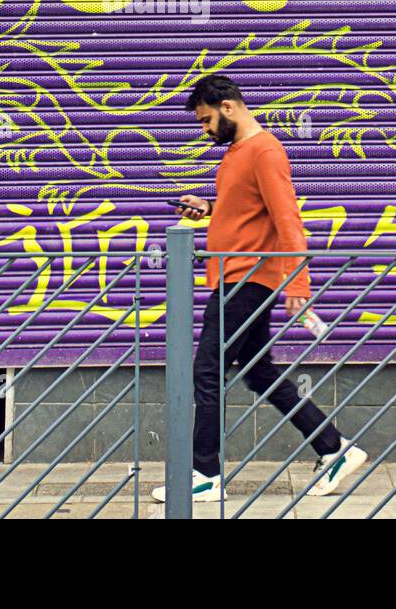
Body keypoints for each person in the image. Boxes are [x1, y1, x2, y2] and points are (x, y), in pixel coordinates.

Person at [153, 74, 367, 503]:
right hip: (236, 274)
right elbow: (246, 210)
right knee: (258, 372)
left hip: (247, 278)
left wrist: (298, 282)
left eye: (206, 120)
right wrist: (209, 209)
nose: (204, 129)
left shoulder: (265, 151)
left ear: (228, 107)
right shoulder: (237, 153)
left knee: (207, 371)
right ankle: (335, 448)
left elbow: (287, 218)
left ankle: (205, 474)